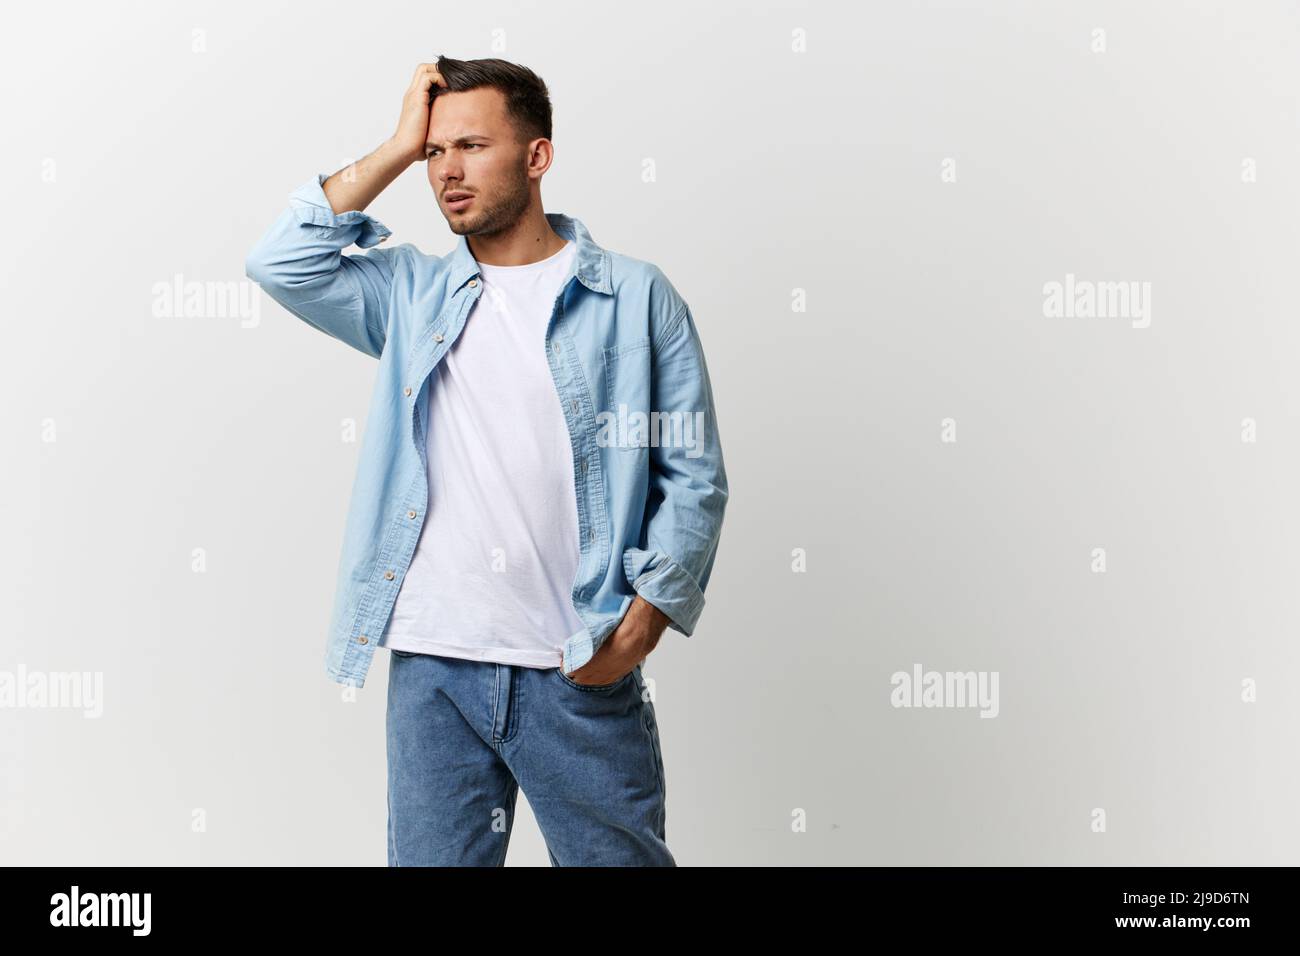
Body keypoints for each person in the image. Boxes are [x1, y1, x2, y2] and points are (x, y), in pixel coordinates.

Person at [244, 56, 728, 866]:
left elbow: (693, 472)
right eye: (436, 154)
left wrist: (640, 626)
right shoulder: (412, 295)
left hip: (576, 667)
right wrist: (397, 146)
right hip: (435, 673)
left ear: (537, 157)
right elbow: (280, 260)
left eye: (470, 145)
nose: (448, 172)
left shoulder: (638, 299)